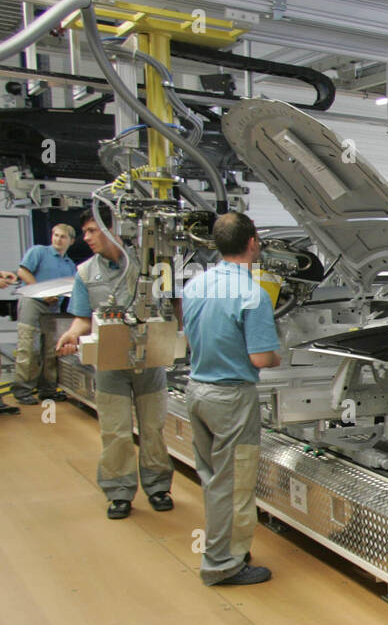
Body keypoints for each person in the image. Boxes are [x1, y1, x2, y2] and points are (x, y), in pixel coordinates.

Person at [180, 212, 281, 586]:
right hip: (230, 399)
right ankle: (224, 564)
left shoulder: (195, 286)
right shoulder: (252, 293)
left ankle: (228, 546)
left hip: (197, 391)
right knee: (235, 483)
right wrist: (276, 355)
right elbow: (260, 359)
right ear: (252, 243)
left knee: (213, 479)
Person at [55, 208, 175, 520]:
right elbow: (83, 319)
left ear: (114, 228)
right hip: (109, 363)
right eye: (85, 232)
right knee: (116, 430)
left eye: (93, 230)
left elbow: (173, 302)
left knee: (153, 427)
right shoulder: (85, 273)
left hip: (149, 360)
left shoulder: (149, 262)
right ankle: (119, 492)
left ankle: (159, 486)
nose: (87, 238)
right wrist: (70, 334)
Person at [0, 223, 77, 404]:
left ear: (71, 241)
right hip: (33, 304)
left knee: (51, 350)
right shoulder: (38, 252)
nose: (58, 239)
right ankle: (23, 391)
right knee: (30, 348)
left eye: (62, 237)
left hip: (53, 309)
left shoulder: (70, 265)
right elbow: (22, 271)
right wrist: (43, 293)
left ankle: (48, 390)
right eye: (55, 235)